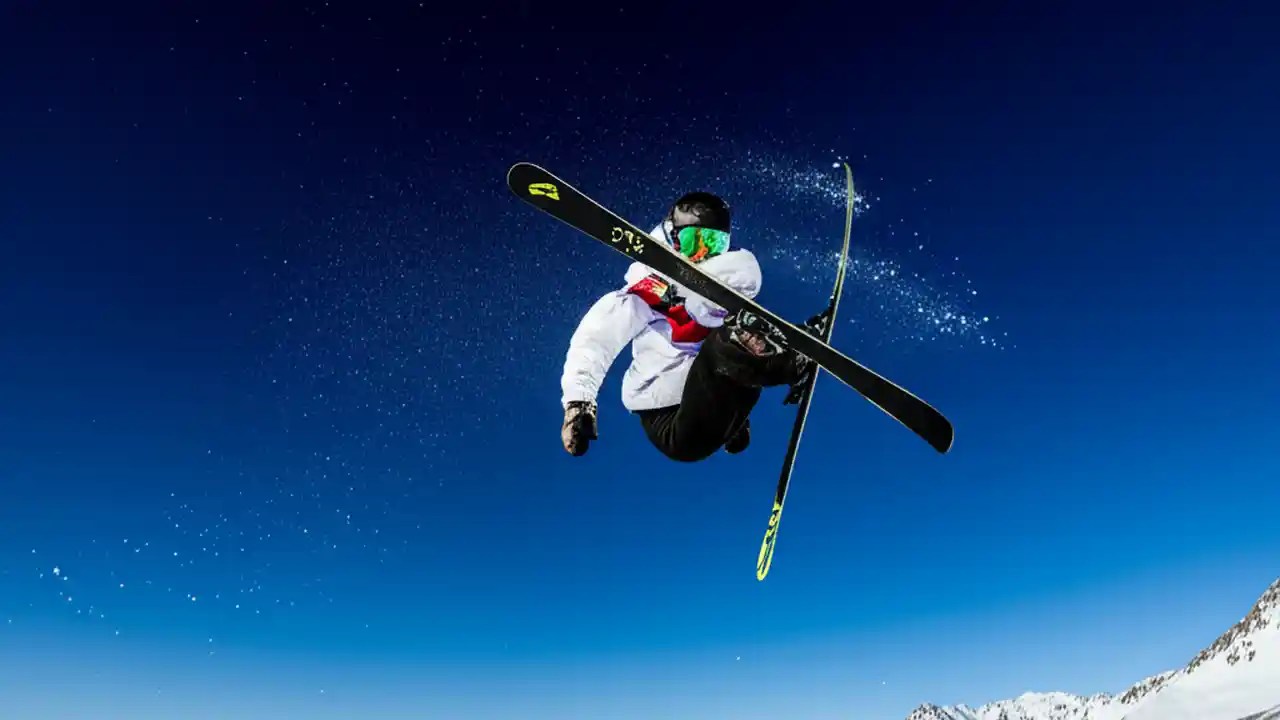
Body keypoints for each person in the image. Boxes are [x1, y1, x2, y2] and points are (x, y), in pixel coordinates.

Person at [558, 191, 816, 462]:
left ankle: (791, 351)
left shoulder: (724, 295)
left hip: (710, 403)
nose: (704, 253)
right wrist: (579, 401)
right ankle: (791, 363)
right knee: (729, 337)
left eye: (714, 244)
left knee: (740, 328)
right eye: (695, 242)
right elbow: (596, 339)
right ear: (674, 238)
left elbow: (718, 364)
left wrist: (735, 419)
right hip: (669, 421)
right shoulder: (643, 294)